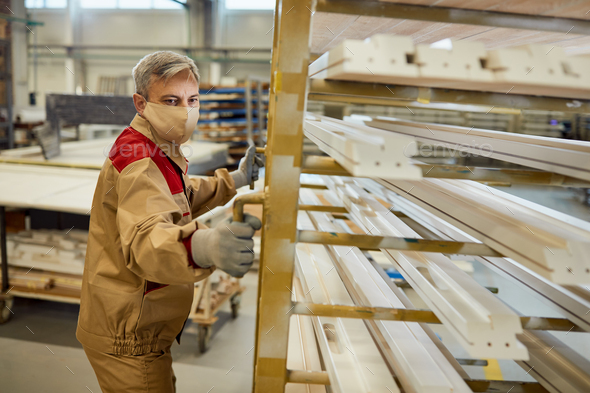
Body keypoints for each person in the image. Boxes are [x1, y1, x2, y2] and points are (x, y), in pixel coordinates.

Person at [76, 51, 263, 392]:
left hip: (139, 325)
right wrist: (203, 245)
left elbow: (180, 195)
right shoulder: (140, 160)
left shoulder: (156, 146)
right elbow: (147, 239)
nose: (185, 111)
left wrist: (234, 180)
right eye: (171, 100)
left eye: (192, 100)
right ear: (141, 103)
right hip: (130, 335)